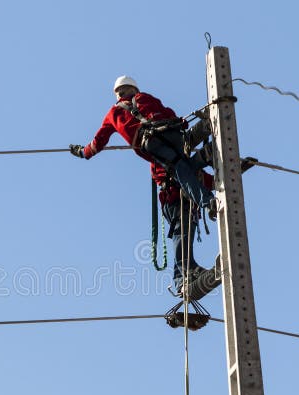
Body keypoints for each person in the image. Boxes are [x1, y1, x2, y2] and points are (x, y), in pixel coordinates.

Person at [70, 75, 216, 294]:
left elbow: (98, 142)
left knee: (180, 167)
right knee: (182, 167)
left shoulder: (124, 108)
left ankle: (208, 196)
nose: (121, 94)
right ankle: (208, 187)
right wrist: (84, 152)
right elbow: (169, 115)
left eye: (123, 90)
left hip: (157, 139)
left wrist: (84, 152)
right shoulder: (132, 104)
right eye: (119, 91)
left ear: (131, 89)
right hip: (167, 137)